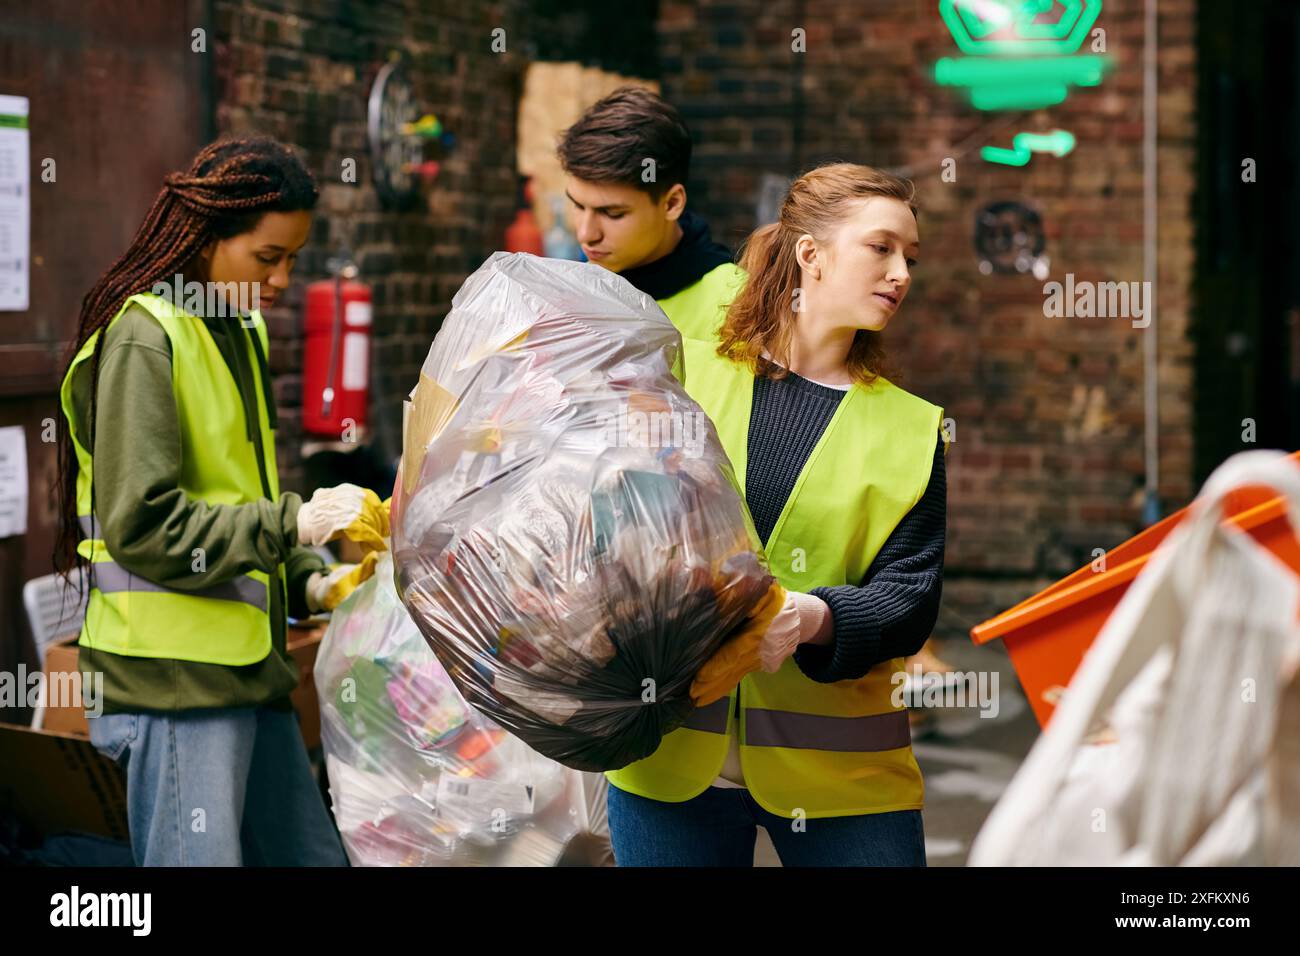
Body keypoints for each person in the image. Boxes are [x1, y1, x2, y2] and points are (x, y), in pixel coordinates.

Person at [54, 137, 388, 866]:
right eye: (267, 258)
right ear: (207, 237)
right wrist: (294, 520)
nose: (282, 279)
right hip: (173, 685)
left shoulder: (238, 327)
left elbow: (243, 495)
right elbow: (142, 524)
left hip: (246, 670)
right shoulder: (145, 337)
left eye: (293, 259)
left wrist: (312, 578)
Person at [603, 163, 948, 867]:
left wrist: (814, 619)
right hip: (667, 756)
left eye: (910, 256)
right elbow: (611, 525)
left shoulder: (914, 430)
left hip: (844, 780)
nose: (901, 272)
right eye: (880, 248)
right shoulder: (684, 377)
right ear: (810, 254)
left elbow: (909, 599)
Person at [557, 86, 741, 365]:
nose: (586, 234)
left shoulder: (738, 306)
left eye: (612, 213)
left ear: (671, 204)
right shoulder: (571, 289)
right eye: (578, 206)